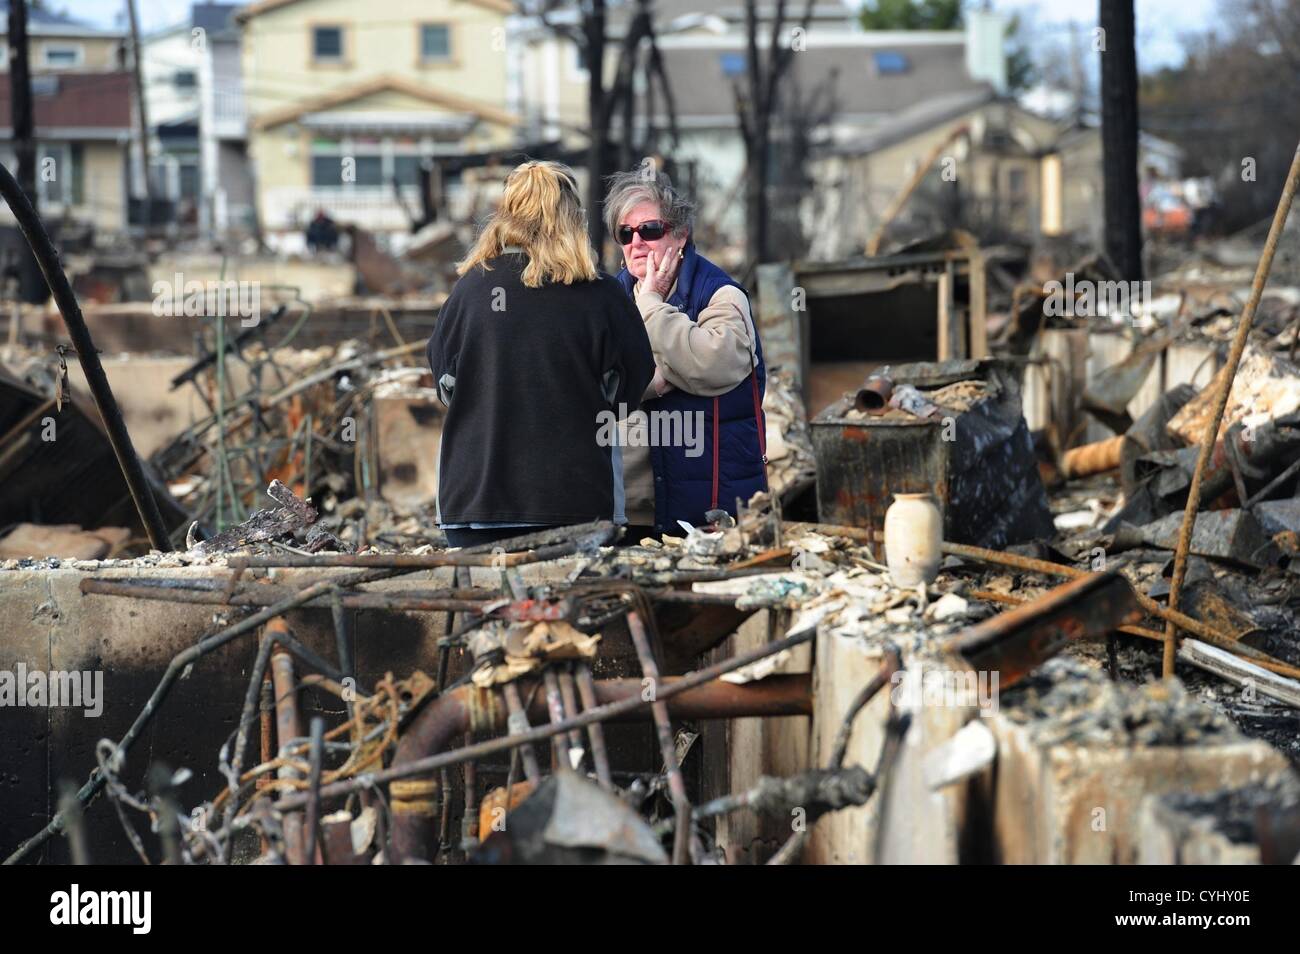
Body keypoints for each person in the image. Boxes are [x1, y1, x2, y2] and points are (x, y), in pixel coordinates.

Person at [427, 160, 655, 549]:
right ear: (572, 219)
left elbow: (447, 388)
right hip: (576, 510)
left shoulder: (468, 294)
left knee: (486, 610)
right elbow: (628, 392)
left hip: (473, 509)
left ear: (506, 215)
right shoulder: (601, 296)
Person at [603, 167, 767, 536]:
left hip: (714, 510)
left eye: (650, 230)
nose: (636, 243)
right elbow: (594, 385)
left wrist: (650, 306)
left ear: (680, 233)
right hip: (633, 510)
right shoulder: (608, 302)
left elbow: (711, 364)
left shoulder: (723, 294)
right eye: (625, 233)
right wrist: (660, 381)